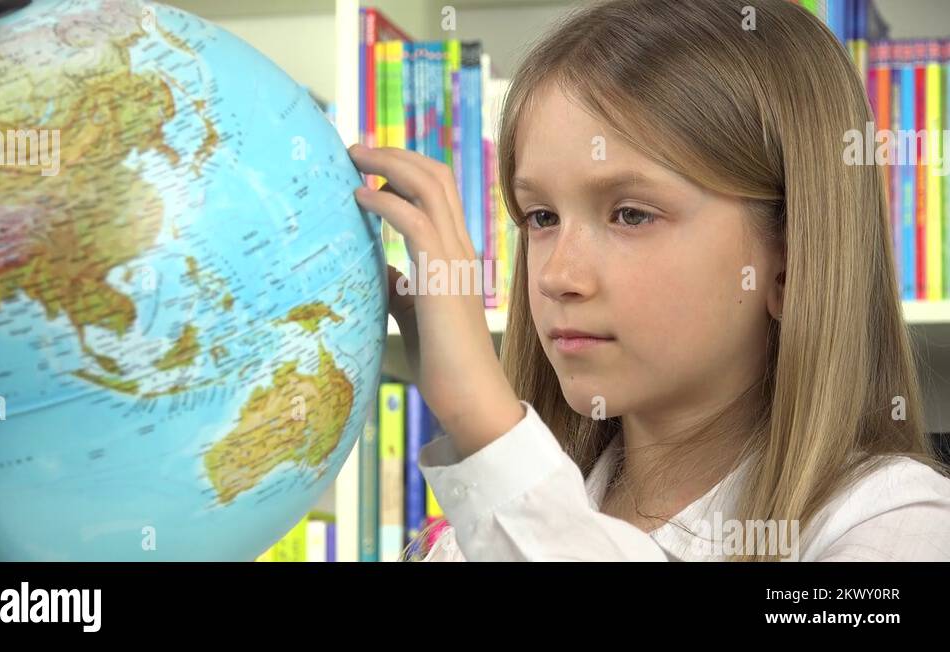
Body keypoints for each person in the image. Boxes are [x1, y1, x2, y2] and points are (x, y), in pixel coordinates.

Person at [348, 0, 950, 561]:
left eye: (631, 214)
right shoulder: (474, 538)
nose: (558, 276)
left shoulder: (896, 525)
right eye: (542, 217)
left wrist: (484, 424)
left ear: (790, 264)